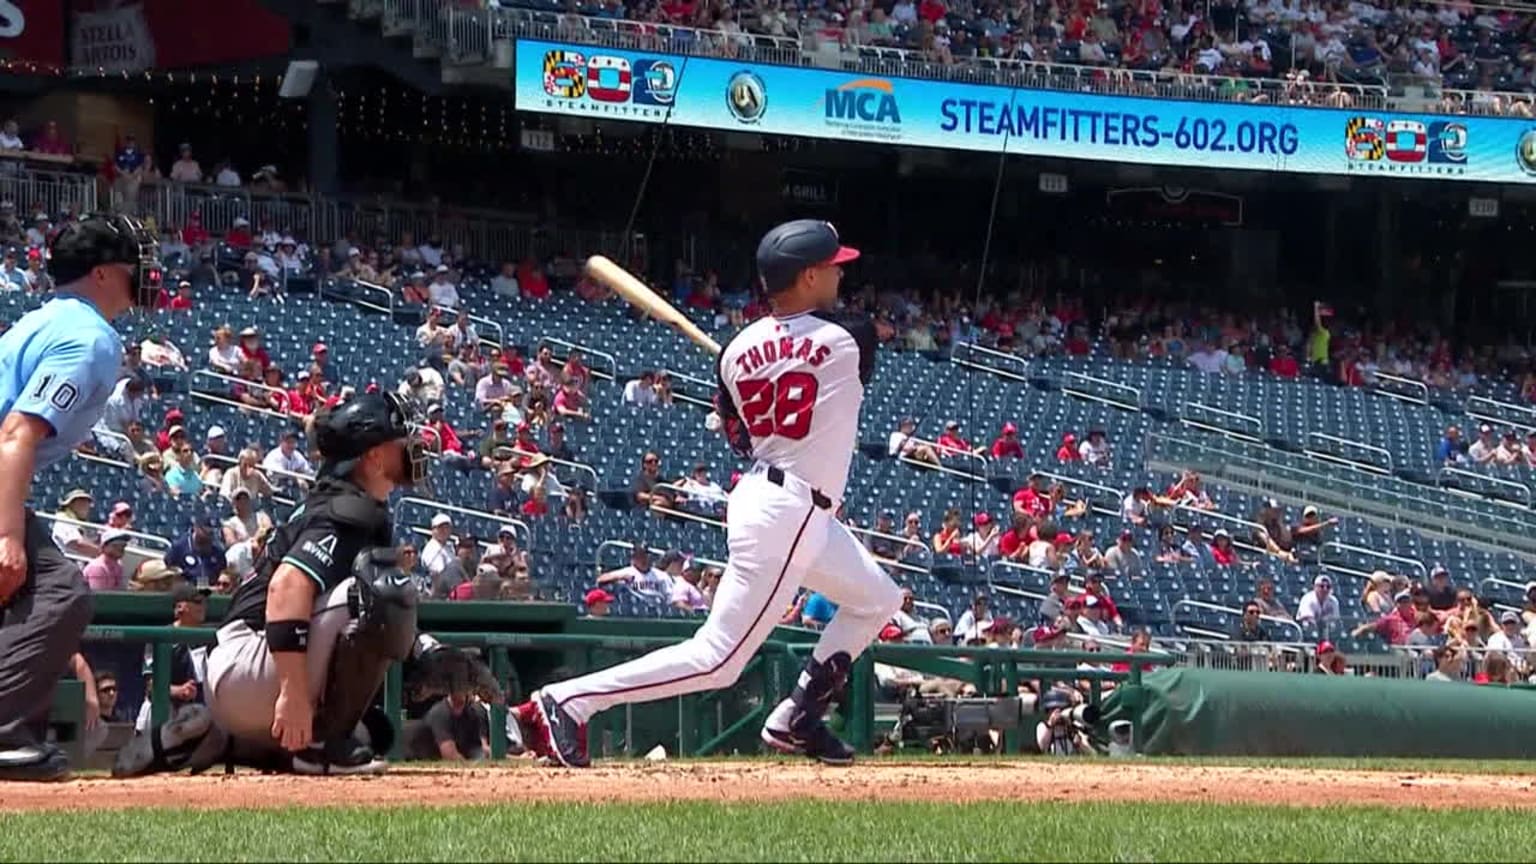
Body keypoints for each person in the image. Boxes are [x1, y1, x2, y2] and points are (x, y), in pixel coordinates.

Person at [517, 220, 902, 768]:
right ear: (809, 273)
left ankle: (798, 716)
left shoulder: (735, 352)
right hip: (789, 511)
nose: (841, 272)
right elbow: (824, 354)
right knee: (718, 659)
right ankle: (563, 702)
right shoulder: (852, 334)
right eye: (833, 265)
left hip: (776, 499)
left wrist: (748, 362)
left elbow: (740, 433)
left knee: (878, 598)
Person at [114, 392, 489, 778]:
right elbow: (285, 588)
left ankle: (225, 741)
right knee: (380, 589)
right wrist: (293, 693)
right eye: (398, 440)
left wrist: (429, 651)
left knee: (372, 732)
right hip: (250, 657)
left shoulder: (352, 504)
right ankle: (319, 745)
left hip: (243, 671)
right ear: (374, 457)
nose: (411, 447)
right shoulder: (345, 508)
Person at [0, 213, 160, 782]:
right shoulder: (91, 337)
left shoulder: (39, 321)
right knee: (60, 595)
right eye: (131, 263)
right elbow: (16, 433)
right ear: (101, 273)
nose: (144, 272)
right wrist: (8, 535)